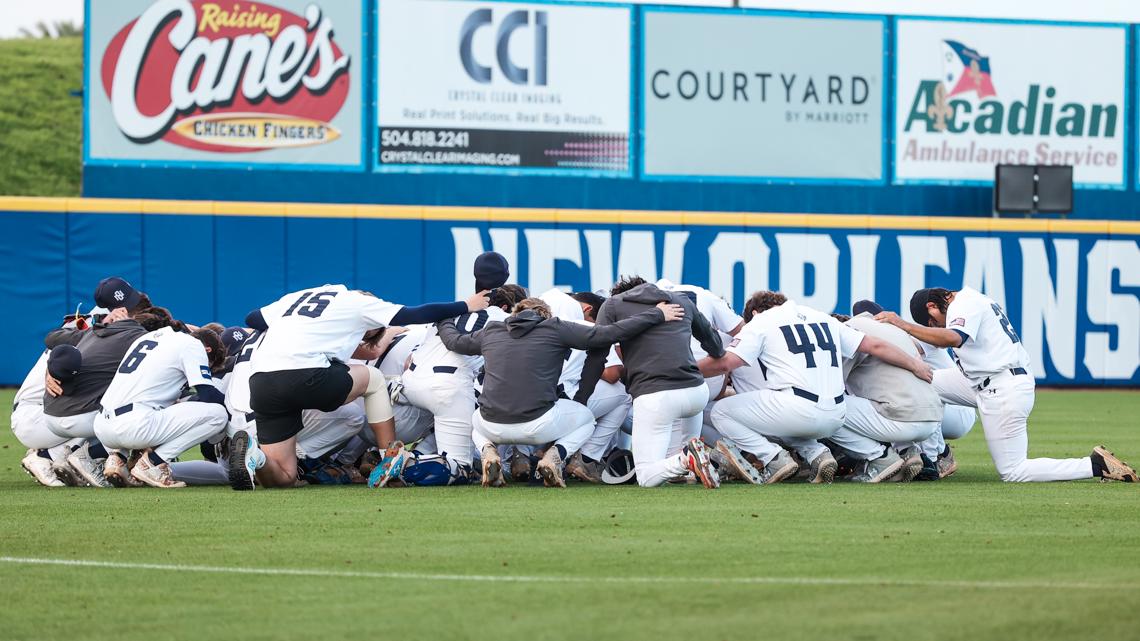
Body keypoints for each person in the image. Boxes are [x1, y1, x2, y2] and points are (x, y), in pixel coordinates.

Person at [234, 284, 491, 489]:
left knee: (284, 476)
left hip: (262, 382)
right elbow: (413, 314)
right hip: (304, 374)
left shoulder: (298, 296)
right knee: (374, 379)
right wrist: (467, 305)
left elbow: (253, 318)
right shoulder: (356, 301)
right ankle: (389, 458)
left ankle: (254, 456)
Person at [874, 287, 1137, 483]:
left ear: (933, 306)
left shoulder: (965, 303)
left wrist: (902, 323)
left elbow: (952, 338)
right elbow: (927, 343)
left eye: (930, 323)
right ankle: (937, 456)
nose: (932, 328)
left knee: (1013, 471)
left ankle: (1093, 465)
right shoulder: (969, 301)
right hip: (983, 382)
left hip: (1003, 388)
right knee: (922, 381)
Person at [436, 296, 684, 487]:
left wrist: (444, 316)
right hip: (539, 424)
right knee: (585, 417)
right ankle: (555, 456)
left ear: (515, 313)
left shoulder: (492, 330)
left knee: (473, 415)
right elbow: (610, 333)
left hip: (491, 426)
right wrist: (656, 314)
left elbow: (454, 341)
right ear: (544, 316)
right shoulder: (554, 327)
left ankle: (488, 451)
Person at [700, 291, 932, 485]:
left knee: (722, 411)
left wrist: (682, 370)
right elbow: (875, 344)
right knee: (816, 411)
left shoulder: (762, 321)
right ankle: (878, 456)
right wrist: (914, 364)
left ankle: (773, 459)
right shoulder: (822, 317)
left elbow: (727, 362)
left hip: (795, 408)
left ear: (754, 313)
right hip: (835, 411)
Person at [581, 276, 724, 489]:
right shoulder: (682, 300)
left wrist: (582, 397)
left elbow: (597, 352)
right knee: (673, 458)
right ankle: (690, 457)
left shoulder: (612, 305)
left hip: (657, 396)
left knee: (647, 477)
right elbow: (715, 345)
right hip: (696, 392)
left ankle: (686, 460)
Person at [93, 326, 230, 488]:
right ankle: (152, 465)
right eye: (210, 364)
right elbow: (207, 394)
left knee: (156, 406)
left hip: (102, 427)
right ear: (207, 350)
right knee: (219, 414)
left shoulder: (150, 337)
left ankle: (118, 459)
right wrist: (241, 410)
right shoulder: (193, 345)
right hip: (133, 426)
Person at [830, 311, 943, 482]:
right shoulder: (888, 328)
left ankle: (879, 458)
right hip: (932, 420)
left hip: (902, 418)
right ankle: (909, 452)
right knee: (877, 397)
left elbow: (834, 386)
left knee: (828, 409)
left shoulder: (848, 333)